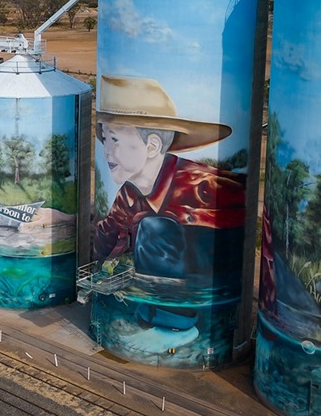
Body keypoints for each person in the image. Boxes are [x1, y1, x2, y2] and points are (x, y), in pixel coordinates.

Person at [93, 75, 246, 297]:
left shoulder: (204, 187)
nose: (106, 151)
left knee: (154, 229)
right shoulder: (127, 196)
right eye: (104, 139)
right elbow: (103, 240)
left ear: (152, 146)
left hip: (205, 306)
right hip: (153, 305)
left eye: (114, 139)